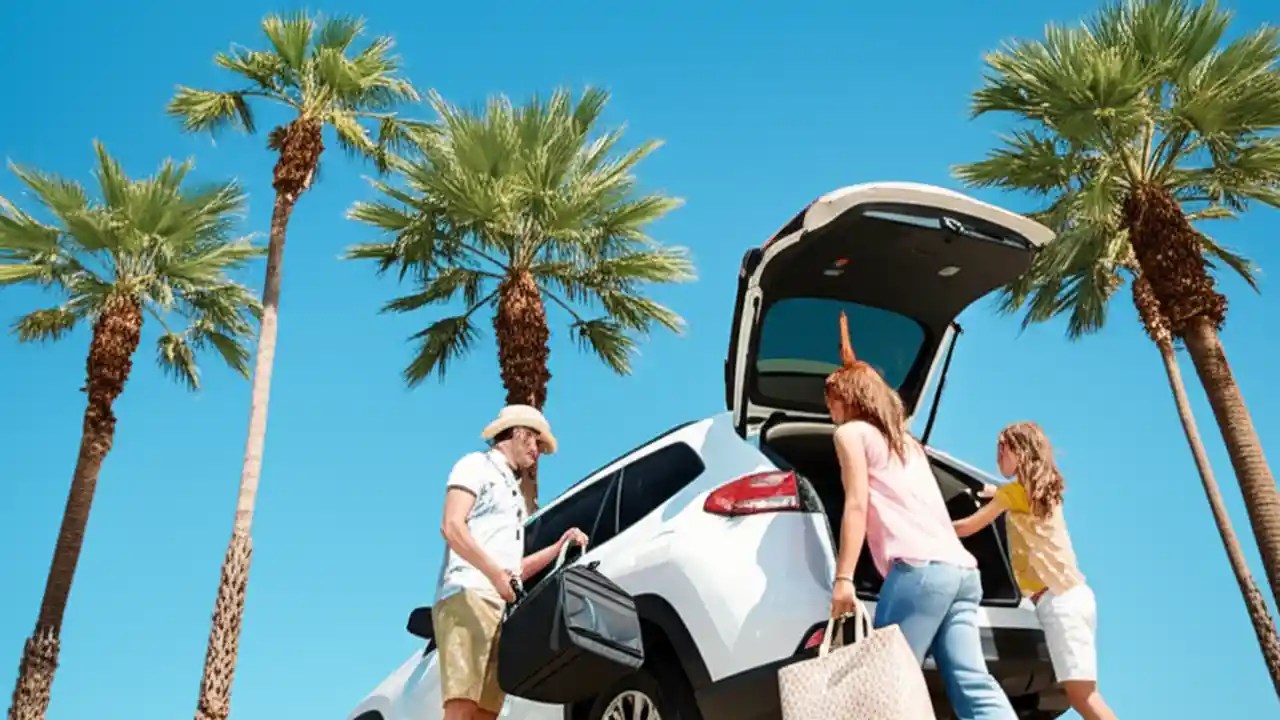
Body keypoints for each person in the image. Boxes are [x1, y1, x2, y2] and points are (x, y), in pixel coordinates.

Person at [825, 313, 1016, 720]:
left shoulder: (850, 434)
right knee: (974, 685)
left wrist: (843, 580)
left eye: (830, 400)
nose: (829, 410)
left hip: (920, 572)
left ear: (846, 398)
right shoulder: (908, 445)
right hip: (962, 573)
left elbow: (856, 504)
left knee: (888, 686)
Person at [433, 404, 589, 720]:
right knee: (462, 705)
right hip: (467, 595)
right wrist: (494, 575)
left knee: (486, 712)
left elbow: (513, 571)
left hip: (498, 607)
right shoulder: (475, 465)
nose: (537, 453)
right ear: (519, 433)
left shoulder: (513, 495)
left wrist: (559, 546)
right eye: (535, 442)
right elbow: (451, 525)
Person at [953, 422, 1116, 720]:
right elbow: (1008, 497)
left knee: (1084, 697)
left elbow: (969, 527)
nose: (997, 458)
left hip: (1059, 603)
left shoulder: (1014, 494)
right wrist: (995, 492)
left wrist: (929, 525)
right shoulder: (1041, 490)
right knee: (1086, 693)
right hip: (1075, 596)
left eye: (1001, 450)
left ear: (1019, 452)